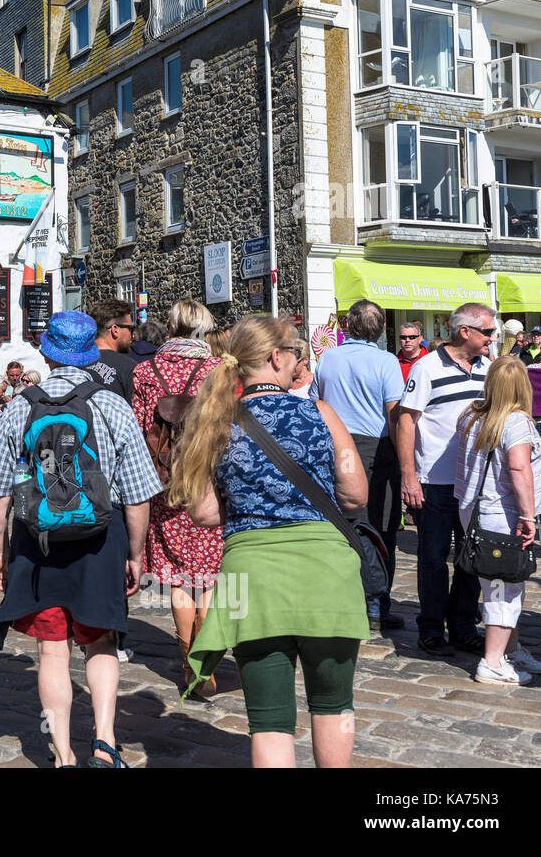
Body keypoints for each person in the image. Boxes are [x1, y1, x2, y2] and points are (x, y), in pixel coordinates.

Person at [172, 315, 368, 768]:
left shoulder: (213, 423)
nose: (298, 362)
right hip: (326, 572)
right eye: (297, 354)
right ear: (276, 358)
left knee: (269, 718)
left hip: (252, 576)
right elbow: (355, 495)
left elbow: (203, 513)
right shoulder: (320, 413)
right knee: (334, 703)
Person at [0, 311, 159, 768]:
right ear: (89, 353)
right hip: (100, 538)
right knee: (101, 642)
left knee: (51, 649)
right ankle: (104, 742)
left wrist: (0, 552)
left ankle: (62, 755)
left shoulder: (22, 404)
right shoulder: (110, 403)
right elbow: (138, 491)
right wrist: (136, 554)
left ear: (47, 351)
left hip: (37, 540)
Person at [130, 299, 223, 694]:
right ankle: (206, 656)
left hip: (164, 481)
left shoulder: (144, 371)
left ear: (171, 327)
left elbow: (138, 429)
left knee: (178, 578)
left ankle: (188, 660)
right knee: (210, 574)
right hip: (208, 480)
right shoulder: (218, 370)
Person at [397, 302, 493, 657]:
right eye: (487, 331)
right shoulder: (427, 368)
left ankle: (464, 626)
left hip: (476, 482)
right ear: (465, 331)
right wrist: (409, 475)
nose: (492, 338)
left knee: (472, 558)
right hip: (435, 481)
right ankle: (432, 628)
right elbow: (406, 421)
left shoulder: (489, 368)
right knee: (434, 559)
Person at [455, 356, 541, 685]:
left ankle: (511, 648)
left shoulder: (472, 414)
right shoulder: (515, 422)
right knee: (502, 591)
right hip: (502, 514)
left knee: (508, 583)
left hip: (476, 510)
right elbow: (519, 468)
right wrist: (527, 516)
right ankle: (492, 661)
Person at [311, 301, 404, 630]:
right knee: (380, 528)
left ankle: (346, 600)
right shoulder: (386, 360)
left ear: (348, 326)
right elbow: (394, 413)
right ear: (379, 330)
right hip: (374, 449)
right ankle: (376, 605)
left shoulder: (327, 359)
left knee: (344, 527)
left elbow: (315, 403)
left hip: (335, 445)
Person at [86, 298, 137, 403]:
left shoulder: (76, 363)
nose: (133, 335)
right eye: (130, 329)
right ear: (115, 330)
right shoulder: (128, 367)